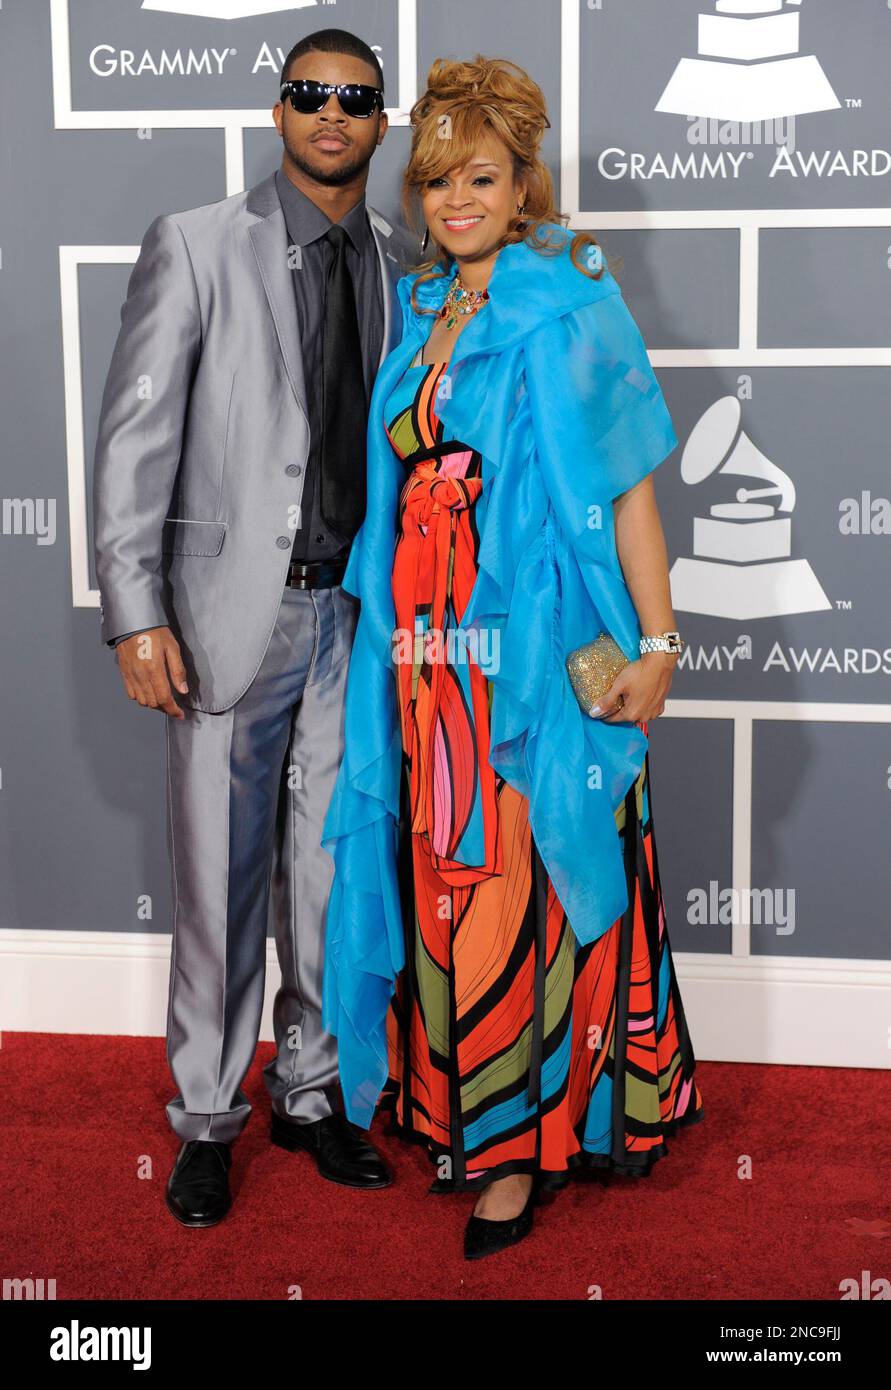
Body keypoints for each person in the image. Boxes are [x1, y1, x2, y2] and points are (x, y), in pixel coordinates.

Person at [321, 55, 704, 1260]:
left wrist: (658, 638)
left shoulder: (571, 301)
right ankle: (459, 1113)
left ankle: (522, 1153)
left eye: (479, 177)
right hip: (425, 664)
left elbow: (629, 489)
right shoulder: (429, 311)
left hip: (528, 658)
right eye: (435, 181)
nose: (455, 202)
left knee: (523, 886)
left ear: (523, 181)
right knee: (447, 883)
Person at [92, 28, 414, 1226]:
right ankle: (208, 1119)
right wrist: (135, 614)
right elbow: (133, 438)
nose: (331, 114)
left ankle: (314, 1093)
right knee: (220, 887)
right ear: (279, 110)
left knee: (331, 876)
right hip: (231, 620)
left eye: (356, 99)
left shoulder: (401, 260)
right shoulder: (196, 244)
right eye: (309, 94)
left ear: (383, 123)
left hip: (356, 618)